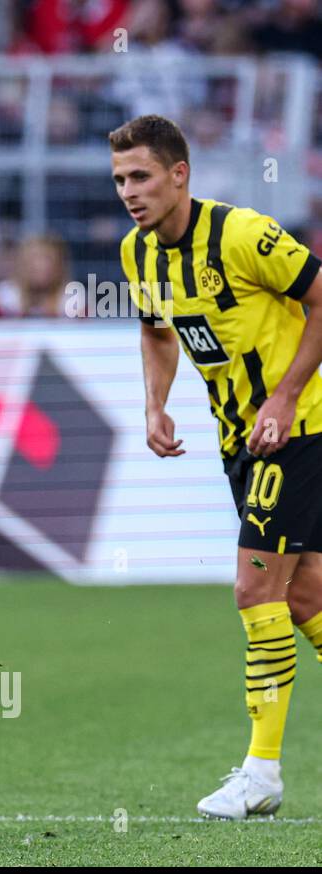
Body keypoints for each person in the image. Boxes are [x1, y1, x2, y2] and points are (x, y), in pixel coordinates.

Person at [112, 114, 322, 820]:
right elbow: (155, 330)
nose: (129, 192)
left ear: (180, 174)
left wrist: (287, 396)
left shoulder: (241, 234)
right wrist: (155, 406)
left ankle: (261, 773)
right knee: (307, 598)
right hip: (242, 438)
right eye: (118, 180)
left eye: (140, 176)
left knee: (253, 587)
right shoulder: (137, 255)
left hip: (302, 428)